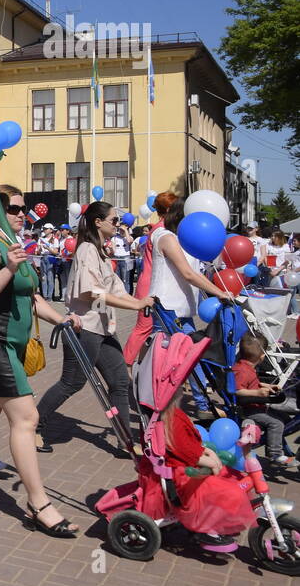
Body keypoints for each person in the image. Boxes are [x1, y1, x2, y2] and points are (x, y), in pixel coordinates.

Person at [0, 186, 83, 536]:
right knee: (27, 417)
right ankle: (39, 503)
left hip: (7, 343)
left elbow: (31, 295)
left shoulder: (14, 246)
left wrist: (60, 319)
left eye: (23, 208)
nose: (21, 213)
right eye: (13, 208)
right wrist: (8, 267)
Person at [35, 201, 154, 454]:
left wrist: (140, 302)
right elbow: (91, 292)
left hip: (103, 328)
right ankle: (33, 425)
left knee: (120, 382)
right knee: (71, 383)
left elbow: (116, 288)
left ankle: (125, 441)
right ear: (98, 222)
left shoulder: (100, 251)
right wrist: (133, 307)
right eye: (114, 220)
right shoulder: (87, 249)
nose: (118, 224)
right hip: (84, 327)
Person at [145, 199, 234, 414]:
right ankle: (160, 406)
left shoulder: (187, 241)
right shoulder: (165, 237)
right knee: (173, 359)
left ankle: (196, 404)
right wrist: (220, 292)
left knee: (190, 356)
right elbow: (187, 274)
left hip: (180, 310)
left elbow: (198, 272)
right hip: (166, 307)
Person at [160, 394, 257, 541]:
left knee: (235, 478)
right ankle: (208, 528)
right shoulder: (169, 421)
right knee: (230, 492)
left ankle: (221, 521)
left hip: (190, 464)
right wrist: (210, 461)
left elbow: (190, 444)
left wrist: (209, 452)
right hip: (184, 472)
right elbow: (182, 450)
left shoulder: (176, 414)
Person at [123, 192, 177, 365]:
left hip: (155, 283)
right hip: (149, 285)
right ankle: (125, 365)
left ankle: (143, 367)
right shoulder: (162, 230)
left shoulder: (164, 227)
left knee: (154, 329)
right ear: (169, 209)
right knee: (143, 328)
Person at [233, 334, 294, 469]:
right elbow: (237, 390)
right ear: (262, 356)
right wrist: (257, 393)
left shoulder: (244, 367)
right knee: (276, 423)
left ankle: (253, 432)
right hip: (250, 408)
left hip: (255, 406)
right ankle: (275, 454)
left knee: (279, 417)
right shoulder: (243, 371)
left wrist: (267, 386)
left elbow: (251, 383)